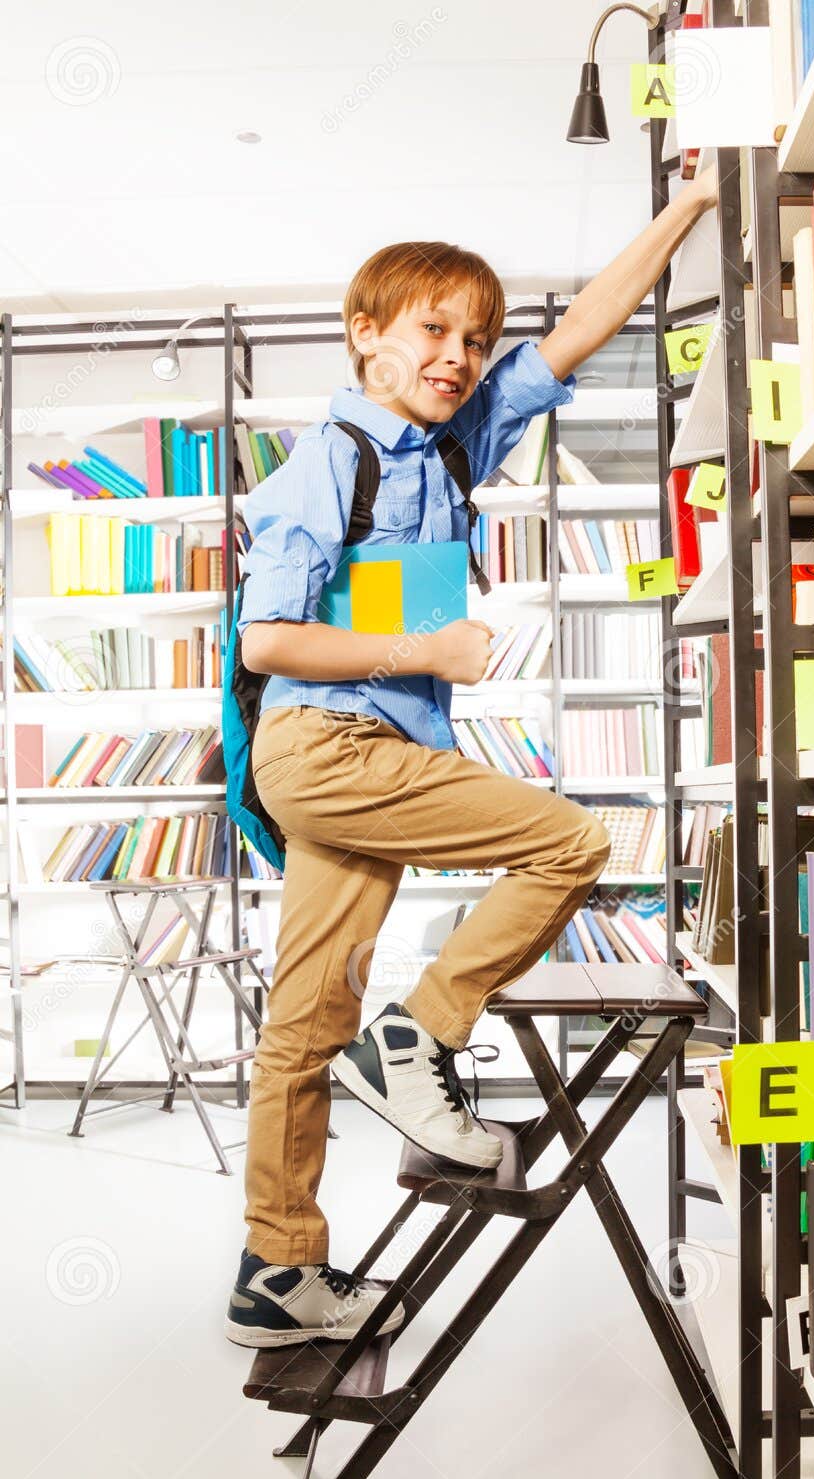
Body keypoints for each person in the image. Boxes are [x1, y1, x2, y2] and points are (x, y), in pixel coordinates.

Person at [225, 164, 720, 1346]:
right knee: (573, 838)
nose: (456, 354)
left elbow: (581, 327)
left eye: (473, 336)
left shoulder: (450, 448)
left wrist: (688, 208)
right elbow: (266, 636)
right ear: (367, 336)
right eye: (432, 330)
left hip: (358, 756)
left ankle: (275, 1272)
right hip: (327, 747)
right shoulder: (325, 464)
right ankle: (421, 1033)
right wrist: (430, 648)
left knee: (303, 1022)